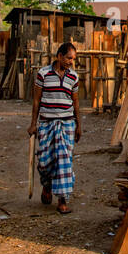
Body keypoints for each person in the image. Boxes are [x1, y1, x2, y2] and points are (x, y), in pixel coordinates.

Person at [27, 41, 82, 213]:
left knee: (64, 161)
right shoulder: (43, 74)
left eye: (73, 59)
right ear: (59, 56)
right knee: (45, 161)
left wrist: (79, 125)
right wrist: (33, 124)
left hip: (66, 124)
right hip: (46, 123)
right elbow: (36, 100)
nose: (70, 62)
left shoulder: (73, 77)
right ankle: (47, 186)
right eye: (68, 58)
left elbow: (76, 102)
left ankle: (62, 200)